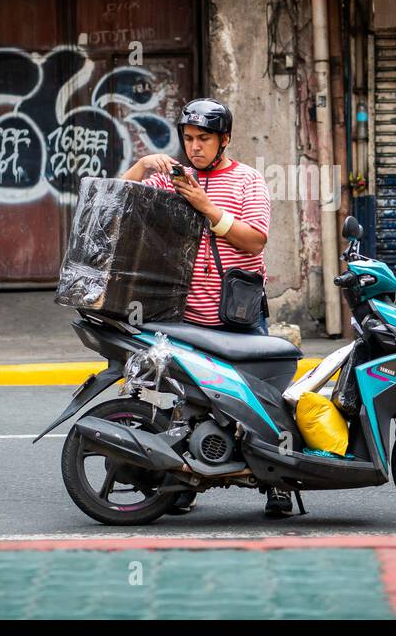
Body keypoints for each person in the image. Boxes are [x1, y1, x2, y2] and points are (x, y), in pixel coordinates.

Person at [122, 98, 294, 518]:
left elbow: (254, 240)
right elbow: (120, 202)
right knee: (188, 403)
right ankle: (183, 482)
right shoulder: (172, 179)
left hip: (241, 312)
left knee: (264, 400)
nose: (194, 147)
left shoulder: (248, 181)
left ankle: (278, 484)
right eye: (188, 138)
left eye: (204, 139)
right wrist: (144, 165)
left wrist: (205, 206)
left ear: (225, 140)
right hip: (189, 315)